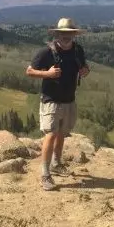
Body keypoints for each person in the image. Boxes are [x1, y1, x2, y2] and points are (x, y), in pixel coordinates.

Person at [26, 18, 90, 191]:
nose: (65, 36)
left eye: (69, 33)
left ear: (74, 35)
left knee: (62, 133)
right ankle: (45, 174)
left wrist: (85, 71)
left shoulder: (78, 51)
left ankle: (56, 163)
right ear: (56, 34)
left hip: (69, 100)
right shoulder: (46, 52)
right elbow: (29, 71)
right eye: (62, 33)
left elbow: (84, 67)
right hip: (51, 100)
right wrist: (47, 74)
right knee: (51, 134)